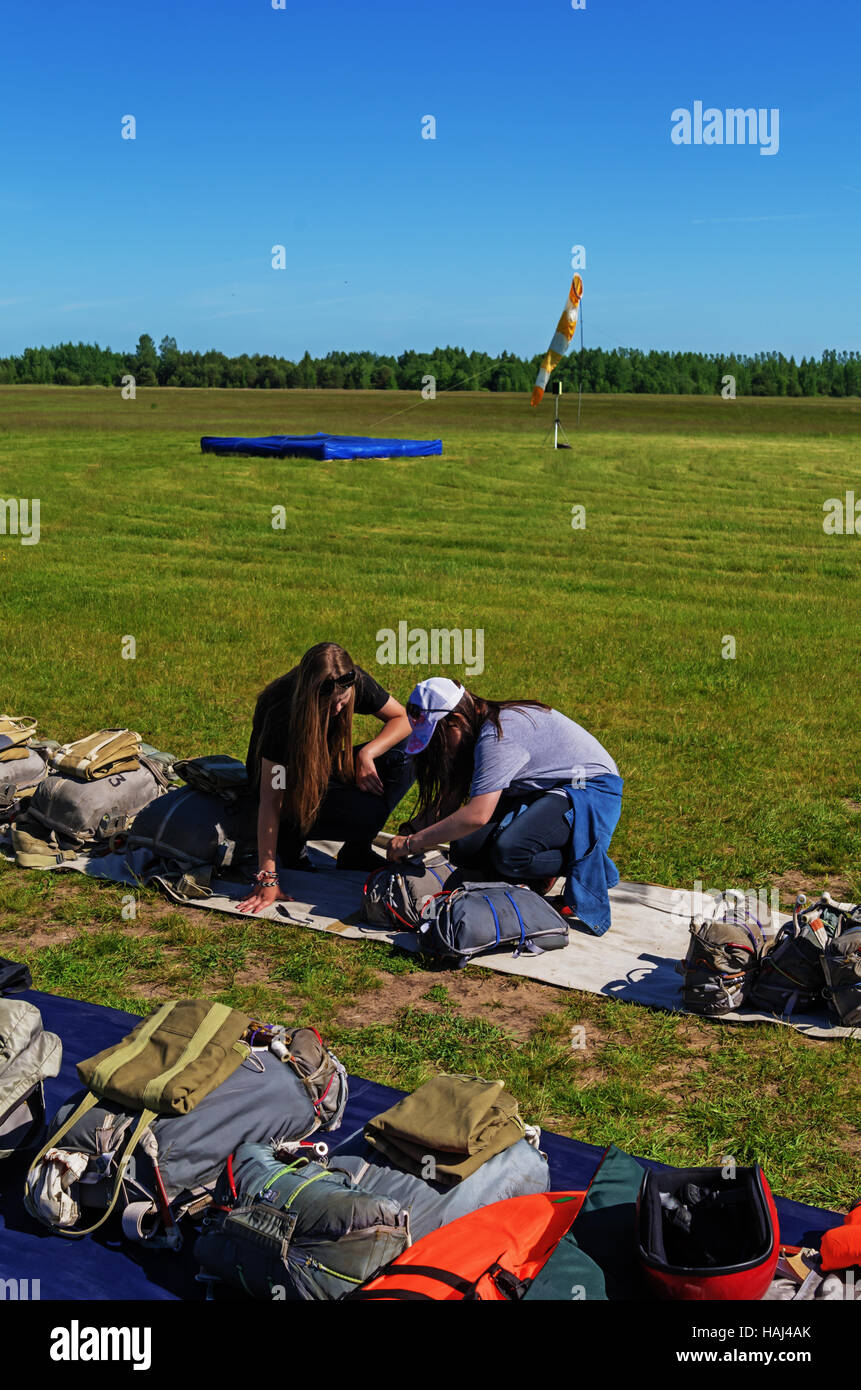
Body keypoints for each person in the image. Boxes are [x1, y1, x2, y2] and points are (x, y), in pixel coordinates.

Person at [387, 677, 623, 936]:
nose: (441, 749)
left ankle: (584, 863)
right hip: (546, 791)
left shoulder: (497, 735)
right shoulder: (475, 728)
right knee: (465, 847)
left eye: (438, 738)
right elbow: (451, 800)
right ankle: (532, 873)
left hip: (590, 790)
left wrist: (413, 843)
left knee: (510, 853)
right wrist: (410, 831)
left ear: (456, 721)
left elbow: (477, 815)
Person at [239, 642, 413, 914]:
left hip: (322, 769)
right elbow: (272, 798)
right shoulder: (281, 715)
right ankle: (292, 836)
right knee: (367, 813)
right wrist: (267, 875)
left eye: (343, 702)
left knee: (411, 751)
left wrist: (367, 754)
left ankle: (356, 851)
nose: (337, 711)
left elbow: (403, 719)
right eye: (329, 705)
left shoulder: (353, 680)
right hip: (289, 789)